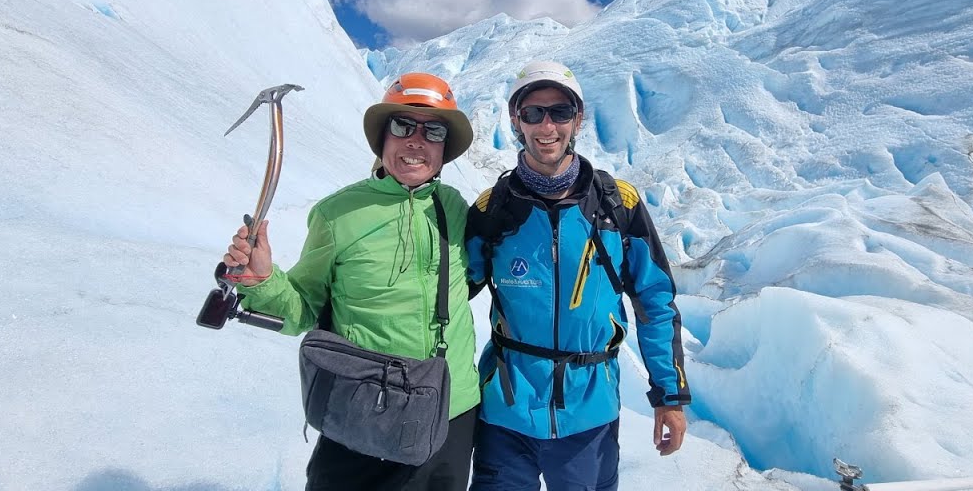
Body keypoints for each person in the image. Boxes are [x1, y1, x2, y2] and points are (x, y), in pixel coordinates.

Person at [223, 72, 480, 491]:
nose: (416, 140)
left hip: (453, 410)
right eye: (402, 125)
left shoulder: (454, 207)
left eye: (433, 130)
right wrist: (263, 280)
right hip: (365, 406)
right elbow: (303, 309)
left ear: (443, 149)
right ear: (383, 137)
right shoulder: (337, 215)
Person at [466, 60, 690, 491]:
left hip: (589, 417)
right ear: (516, 120)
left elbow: (655, 303)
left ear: (578, 119)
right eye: (532, 112)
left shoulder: (616, 204)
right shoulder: (492, 209)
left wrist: (670, 396)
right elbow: (447, 291)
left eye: (560, 112)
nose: (546, 125)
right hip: (505, 412)